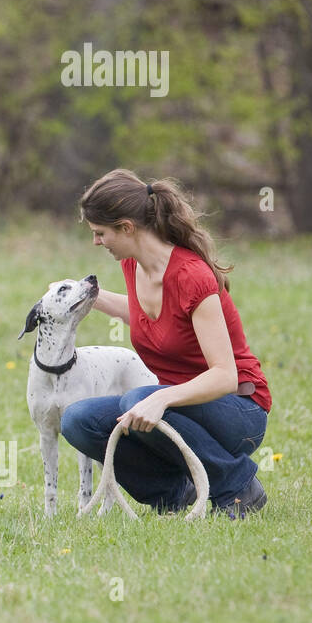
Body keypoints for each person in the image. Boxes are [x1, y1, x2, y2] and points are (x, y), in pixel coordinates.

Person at [60, 169, 271, 517]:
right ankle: (176, 493)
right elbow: (149, 316)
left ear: (127, 227)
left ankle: (237, 486)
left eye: (100, 233)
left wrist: (161, 397)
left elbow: (225, 376)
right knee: (79, 420)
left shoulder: (192, 276)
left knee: (138, 398)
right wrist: (86, 295)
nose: (97, 242)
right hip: (184, 407)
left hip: (239, 409)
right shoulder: (133, 265)